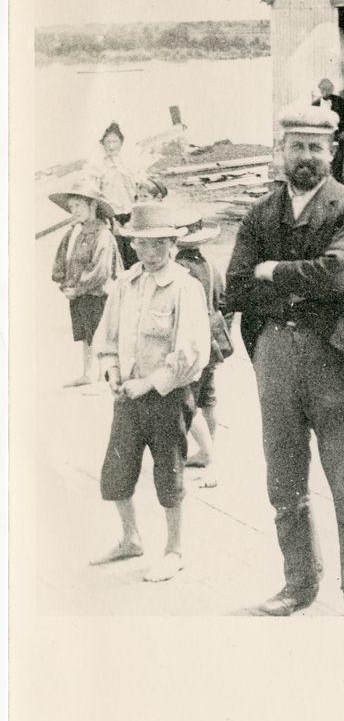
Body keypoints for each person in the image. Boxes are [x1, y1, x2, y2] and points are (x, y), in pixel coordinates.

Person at [226, 105, 344, 617]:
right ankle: (299, 583)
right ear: (281, 151)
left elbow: (337, 274)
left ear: (332, 152)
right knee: (283, 481)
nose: (306, 156)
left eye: (316, 147)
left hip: (332, 357)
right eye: (297, 146)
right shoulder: (261, 213)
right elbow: (237, 284)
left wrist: (272, 270)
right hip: (274, 354)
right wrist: (291, 285)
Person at [90, 203, 211, 583]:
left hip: (167, 398)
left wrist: (150, 383)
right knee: (116, 472)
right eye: (142, 244)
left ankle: (174, 550)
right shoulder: (126, 283)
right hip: (127, 397)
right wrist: (112, 370)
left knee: (168, 475)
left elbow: (192, 352)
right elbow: (107, 335)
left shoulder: (186, 287)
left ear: (174, 244)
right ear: (133, 245)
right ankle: (131, 538)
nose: (151, 251)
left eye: (159, 243)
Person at [49, 177, 121, 386]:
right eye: (72, 207)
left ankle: (102, 376)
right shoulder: (74, 233)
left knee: (100, 333)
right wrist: (65, 284)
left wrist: (79, 288)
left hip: (98, 294)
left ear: (93, 205)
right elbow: (62, 259)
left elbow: (101, 270)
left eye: (79, 206)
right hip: (78, 293)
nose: (75, 211)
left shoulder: (103, 235)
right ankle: (87, 373)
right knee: (86, 334)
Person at [173, 212, 228, 487]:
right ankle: (209, 449)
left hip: (193, 341)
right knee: (208, 400)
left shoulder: (179, 269)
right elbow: (224, 303)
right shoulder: (211, 266)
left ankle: (206, 453)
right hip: (212, 343)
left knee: (187, 402)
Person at [84, 122, 140, 269]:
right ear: (103, 144)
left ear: (121, 143)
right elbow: (95, 194)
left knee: (135, 251)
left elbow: (137, 190)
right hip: (111, 216)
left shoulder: (128, 164)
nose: (111, 145)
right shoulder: (98, 167)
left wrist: (135, 213)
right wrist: (109, 218)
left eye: (115, 141)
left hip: (131, 213)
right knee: (117, 254)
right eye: (108, 142)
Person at [313, 78, 344, 183]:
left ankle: (336, 184)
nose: (324, 92)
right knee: (321, 162)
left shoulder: (341, 102)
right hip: (321, 137)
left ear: (331, 89)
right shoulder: (314, 104)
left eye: (327, 89)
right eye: (322, 89)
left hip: (336, 136)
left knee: (337, 163)